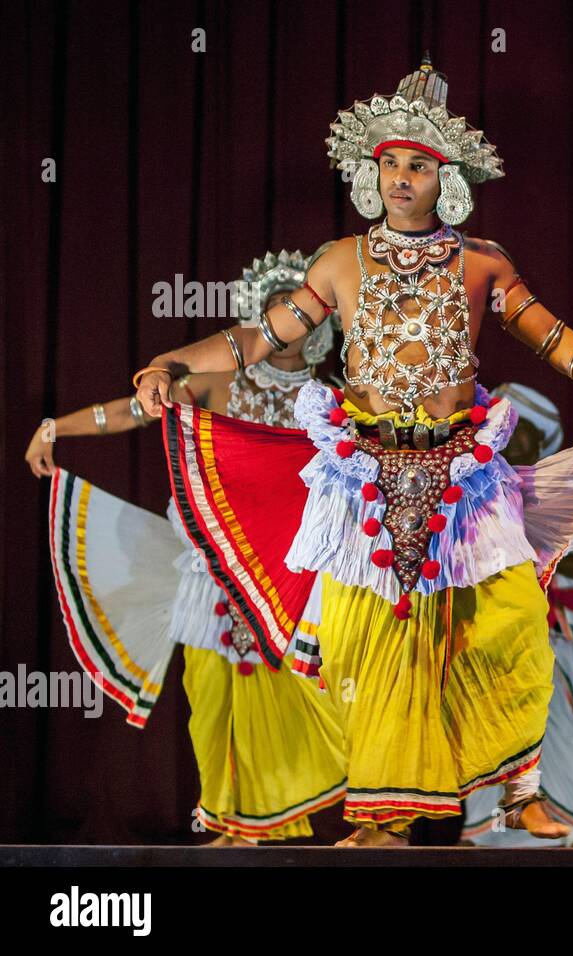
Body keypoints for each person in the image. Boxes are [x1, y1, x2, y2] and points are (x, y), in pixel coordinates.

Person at [133, 56, 573, 847]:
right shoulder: (337, 262)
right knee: (367, 646)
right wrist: (174, 364)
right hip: (363, 477)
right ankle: (382, 819)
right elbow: (257, 341)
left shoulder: (484, 263)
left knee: (513, 622)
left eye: (417, 165)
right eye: (389, 164)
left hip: (462, 473)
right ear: (369, 174)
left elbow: (557, 342)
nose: (401, 178)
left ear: (445, 178)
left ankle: (521, 795)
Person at [35, 249, 347, 845]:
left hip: (291, 572)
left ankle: (298, 816)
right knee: (209, 696)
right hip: (213, 566)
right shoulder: (218, 381)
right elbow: (134, 411)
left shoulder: (332, 398)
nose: (290, 321)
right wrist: (57, 428)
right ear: (261, 318)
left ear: (319, 321)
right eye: (277, 309)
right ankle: (231, 822)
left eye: (299, 310)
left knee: (302, 695)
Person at [462, 383, 573, 846]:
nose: (508, 436)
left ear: (539, 441)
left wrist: (532, 538)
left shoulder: (558, 491)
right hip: (491, 641)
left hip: (548, 641)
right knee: (490, 735)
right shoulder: (473, 487)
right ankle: (483, 835)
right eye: (502, 427)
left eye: (519, 431)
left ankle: (570, 834)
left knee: (557, 735)